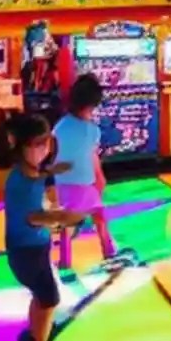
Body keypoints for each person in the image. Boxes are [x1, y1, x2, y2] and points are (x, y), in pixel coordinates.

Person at [0, 113, 84, 341]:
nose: (43, 149)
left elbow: (44, 177)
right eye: (37, 144)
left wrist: (56, 171)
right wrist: (64, 218)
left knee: (40, 294)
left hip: (30, 251)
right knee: (50, 299)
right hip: (27, 253)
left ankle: (34, 332)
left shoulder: (29, 172)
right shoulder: (23, 183)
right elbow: (33, 217)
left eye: (46, 143)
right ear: (20, 147)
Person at [51, 74, 116, 269]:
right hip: (84, 183)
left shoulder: (60, 126)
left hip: (62, 183)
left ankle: (65, 259)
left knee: (67, 223)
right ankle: (108, 250)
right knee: (99, 215)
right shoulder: (92, 130)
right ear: (91, 106)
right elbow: (92, 160)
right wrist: (100, 180)